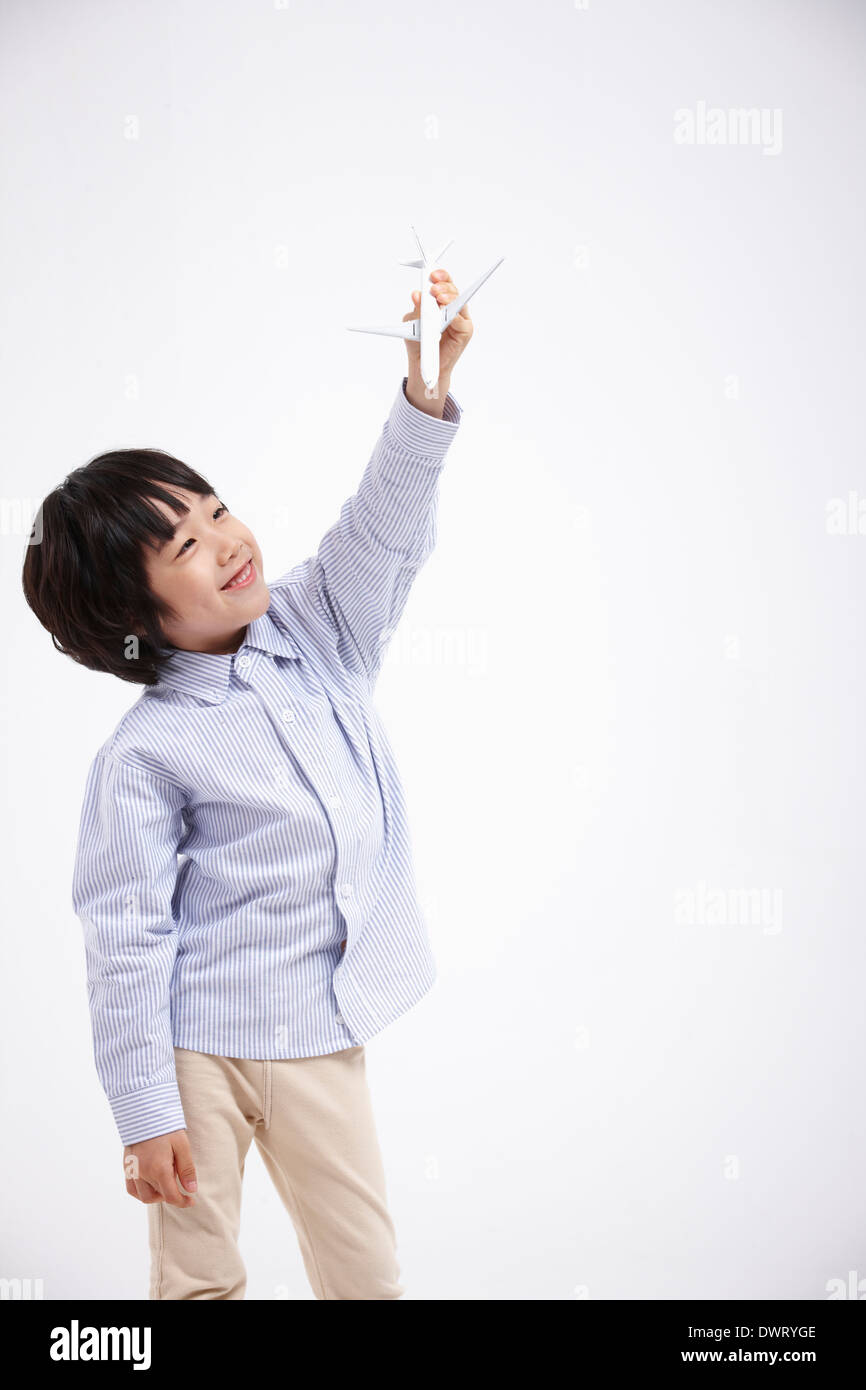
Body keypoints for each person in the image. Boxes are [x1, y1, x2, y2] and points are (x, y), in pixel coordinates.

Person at [22, 268, 474, 1299]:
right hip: (195, 1054)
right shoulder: (143, 754)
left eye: (215, 509)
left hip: (319, 1033)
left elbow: (382, 527)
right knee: (197, 1275)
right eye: (183, 544)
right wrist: (146, 1110)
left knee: (364, 1270)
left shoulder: (321, 630)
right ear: (130, 621)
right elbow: (125, 931)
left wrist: (422, 398)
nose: (225, 541)